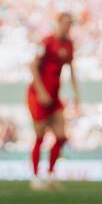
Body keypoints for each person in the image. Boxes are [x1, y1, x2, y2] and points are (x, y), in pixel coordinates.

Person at [27, 12, 79, 190]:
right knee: (40, 135)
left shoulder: (69, 45)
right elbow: (33, 66)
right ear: (58, 24)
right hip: (38, 95)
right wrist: (41, 92)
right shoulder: (47, 42)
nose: (67, 27)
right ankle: (35, 176)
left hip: (55, 96)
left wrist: (75, 93)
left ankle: (50, 173)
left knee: (61, 136)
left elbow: (71, 69)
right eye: (64, 23)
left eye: (69, 24)